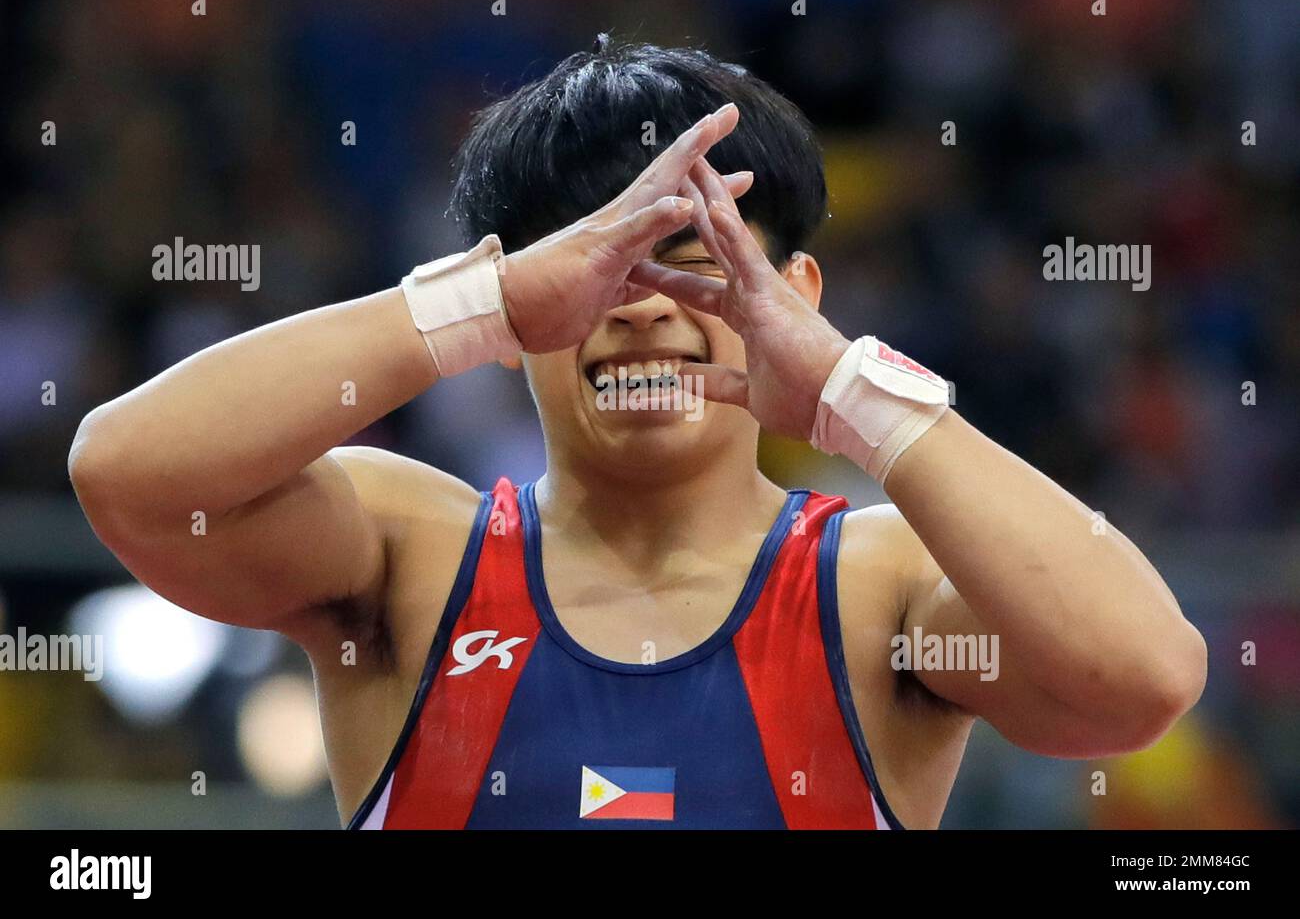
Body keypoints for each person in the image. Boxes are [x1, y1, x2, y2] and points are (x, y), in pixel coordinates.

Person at [68, 40, 1206, 829]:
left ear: (795, 293)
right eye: (603, 271)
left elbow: (1140, 680)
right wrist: (479, 305)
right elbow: (129, 476)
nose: (652, 305)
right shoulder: (406, 555)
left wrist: (854, 392)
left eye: (700, 267)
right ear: (522, 311)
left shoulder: (883, 585)